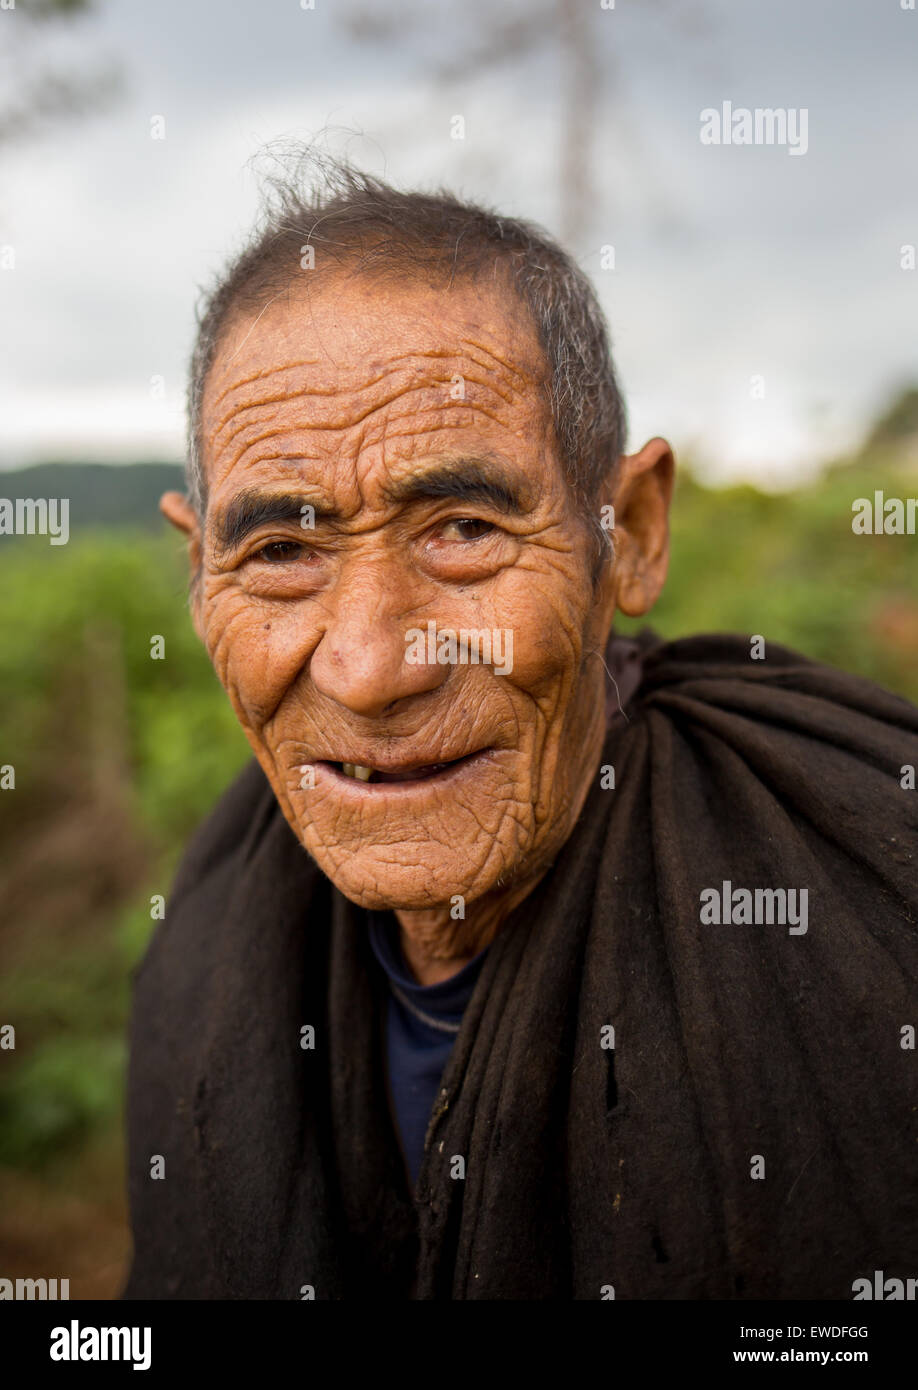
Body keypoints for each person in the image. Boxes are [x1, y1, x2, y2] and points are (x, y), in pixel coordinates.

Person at [122, 154, 918, 1300]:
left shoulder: (870, 898)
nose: (369, 666)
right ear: (200, 570)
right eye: (282, 551)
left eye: (462, 527)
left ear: (629, 534)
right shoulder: (207, 943)